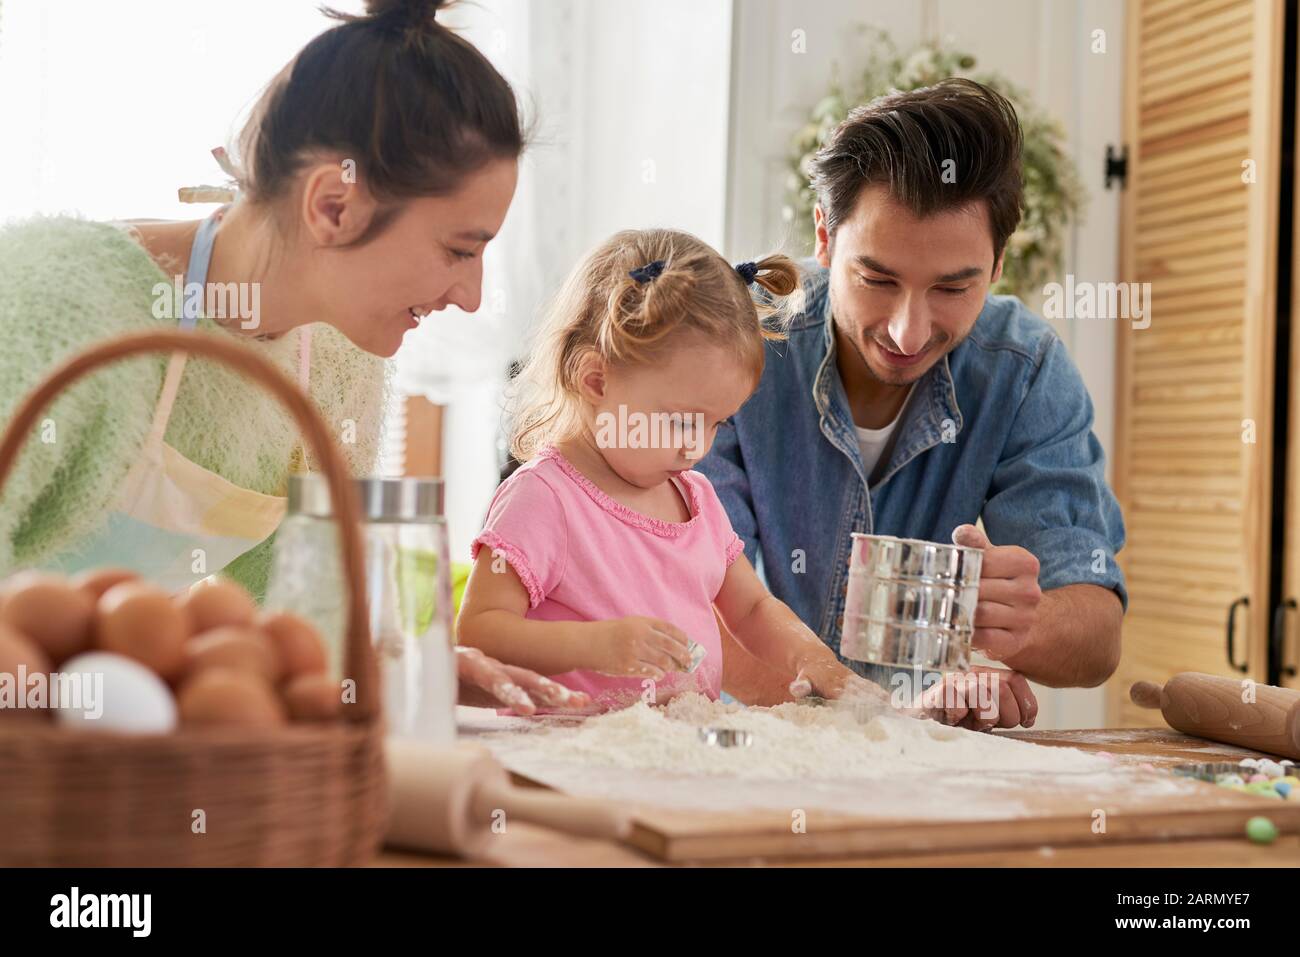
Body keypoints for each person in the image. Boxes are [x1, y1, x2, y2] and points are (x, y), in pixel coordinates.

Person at [0, 0, 563, 712]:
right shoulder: (61, 297)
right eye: (459, 249)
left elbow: (291, 632)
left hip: (123, 764)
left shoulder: (339, 364)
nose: (472, 296)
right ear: (333, 204)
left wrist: (394, 671)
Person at [697, 78, 1127, 728]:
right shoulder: (733, 340)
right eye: (877, 279)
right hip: (745, 750)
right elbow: (688, 596)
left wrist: (1022, 622)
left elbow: (1099, 639)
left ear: (999, 264)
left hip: (924, 773)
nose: (908, 331)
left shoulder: (1025, 369)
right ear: (824, 236)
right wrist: (884, 717)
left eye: (954, 287)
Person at [455, 228, 900, 712]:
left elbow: (751, 609)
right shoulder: (545, 497)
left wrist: (813, 658)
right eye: (682, 420)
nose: (698, 445)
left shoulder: (696, 499)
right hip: (563, 760)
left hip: (673, 761)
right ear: (595, 379)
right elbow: (479, 633)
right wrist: (596, 645)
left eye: (717, 422)